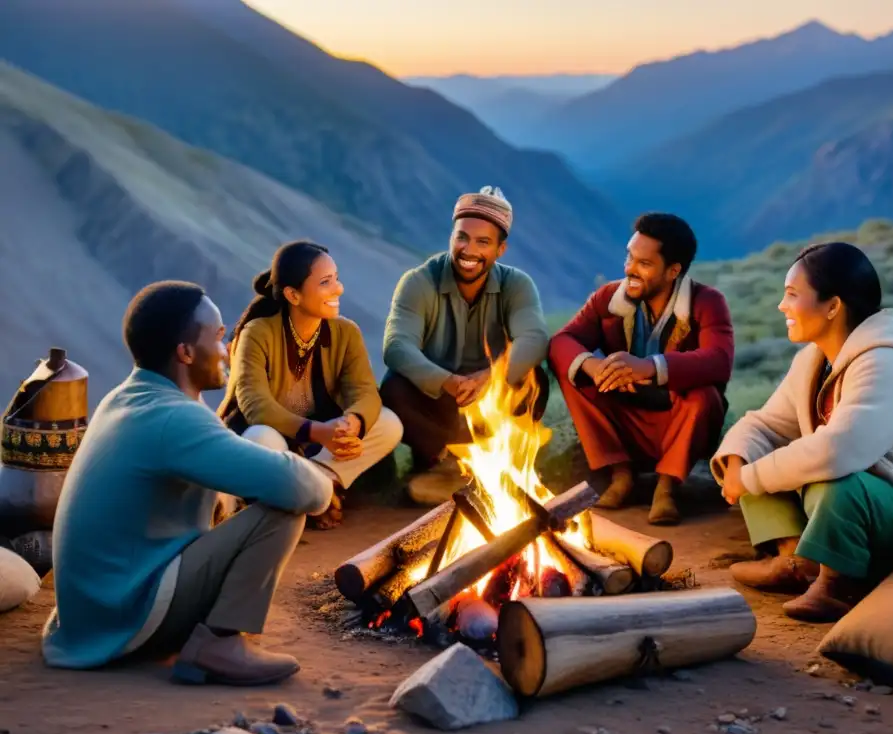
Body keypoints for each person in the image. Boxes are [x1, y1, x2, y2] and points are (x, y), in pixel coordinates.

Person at [43, 281, 334, 685]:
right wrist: (312, 472)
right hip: (126, 614)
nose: (226, 347)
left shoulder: (129, 397)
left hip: (91, 614)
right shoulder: (173, 418)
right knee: (284, 510)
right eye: (217, 336)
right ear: (185, 352)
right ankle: (219, 642)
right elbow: (308, 492)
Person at [711, 243, 893, 623]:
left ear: (833, 306)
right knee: (755, 453)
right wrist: (739, 463)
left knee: (831, 477)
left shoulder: (887, 363)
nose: (781, 306)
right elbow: (765, 424)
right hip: (866, 511)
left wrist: (750, 479)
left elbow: (838, 451)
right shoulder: (814, 360)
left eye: (792, 295)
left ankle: (838, 585)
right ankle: (795, 560)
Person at [548, 213, 734, 525]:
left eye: (644, 264)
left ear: (673, 270)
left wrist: (649, 367)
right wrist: (593, 367)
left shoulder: (708, 302)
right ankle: (620, 474)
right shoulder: (608, 297)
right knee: (576, 374)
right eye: (630, 257)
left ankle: (667, 487)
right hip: (625, 420)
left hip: (677, 422)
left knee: (705, 395)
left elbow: (719, 360)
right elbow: (562, 341)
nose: (629, 269)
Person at [381, 186, 550, 505]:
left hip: (491, 399)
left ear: (501, 249)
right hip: (437, 400)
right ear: (451, 237)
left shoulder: (517, 284)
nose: (468, 250)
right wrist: (447, 382)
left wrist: (490, 377)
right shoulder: (418, 281)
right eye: (462, 237)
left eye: (483, 242)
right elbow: (396, 346)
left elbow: (535, 338)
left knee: (534, 378)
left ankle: (491, 470)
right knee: (394, 388)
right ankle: (449, 466)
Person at [217, 241, 403, 529]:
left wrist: (352, 422)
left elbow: (364, 391)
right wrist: (318, 432)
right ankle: (306, 499)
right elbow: (255, 406)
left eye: (336, 279)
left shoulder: (345, 332)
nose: (338, 289)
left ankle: (316, 489)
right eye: (326, 282)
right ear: (293, 294)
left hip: (317, 450)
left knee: (389, 423)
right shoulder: (257, 333)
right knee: (262, 438)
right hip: (277, 443)